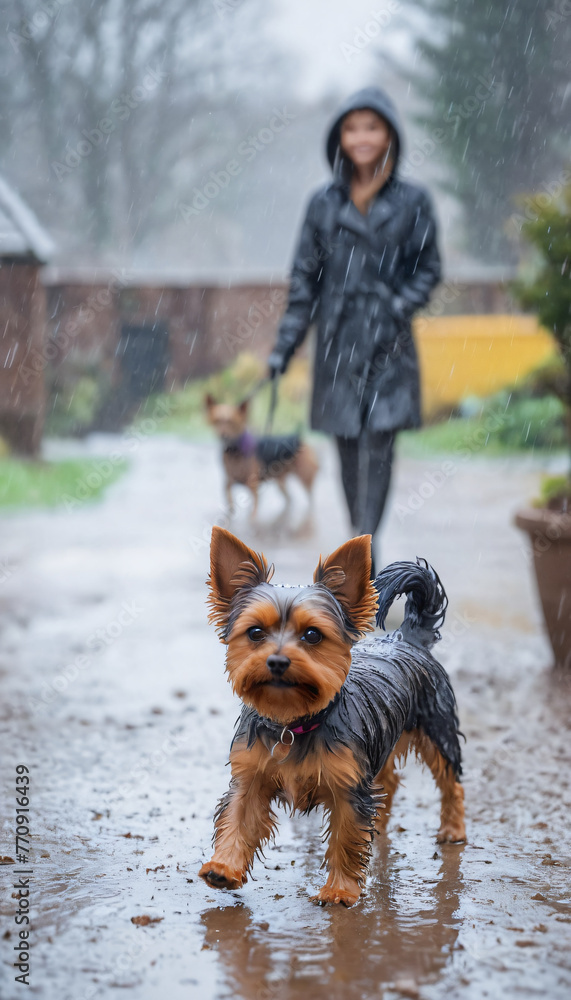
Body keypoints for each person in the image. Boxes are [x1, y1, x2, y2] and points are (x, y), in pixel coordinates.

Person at [267, 86, 441, 575]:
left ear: (389, 134)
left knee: (380, 444)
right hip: (338, 344)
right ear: (339, 138)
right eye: (351, 128)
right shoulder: (322, 204)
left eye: (372, 127)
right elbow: (304, 282)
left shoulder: (413, 202)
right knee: (347, 450)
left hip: (390, 346)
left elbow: (429, 268)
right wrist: (285, 346)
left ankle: (367, 550)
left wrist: (397, 304)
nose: (362, 138)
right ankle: (359, 543)